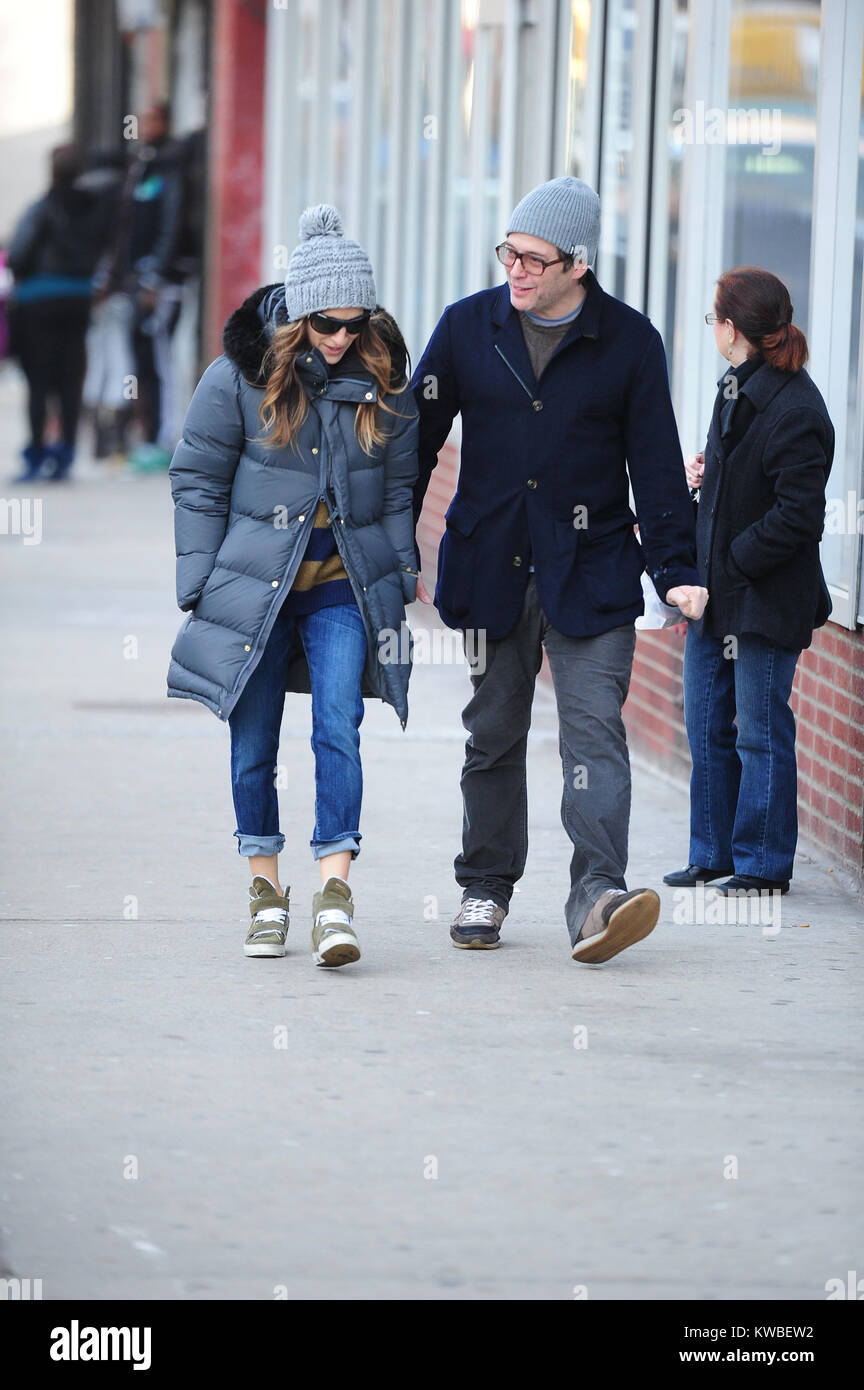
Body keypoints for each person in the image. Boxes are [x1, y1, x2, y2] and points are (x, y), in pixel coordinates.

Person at [412, 175, 707, 963]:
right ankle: (486, 885)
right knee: (495, 734)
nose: (517, 270)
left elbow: (655, 467)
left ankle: (598, 897)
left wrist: (676, 569)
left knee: (593, 740)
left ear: (578, 264)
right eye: (509, 253)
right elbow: (414, 444)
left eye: (535, 260)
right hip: (489, 572)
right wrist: (389, 547)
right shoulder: (468, 328)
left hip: (596, 572)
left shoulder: (631, 342)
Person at [167, 206, 419, 965]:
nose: (341, 337)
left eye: (355, 321)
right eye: (326, 324)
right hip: (256, 590)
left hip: (342, 588)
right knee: (253, 746)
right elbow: (197, 481)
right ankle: (265, 893)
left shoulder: (382, 379)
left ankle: (334, 898)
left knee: (338, 728)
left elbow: (401, 488)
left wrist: (399, 571)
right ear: (299, 313)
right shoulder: (237, 379)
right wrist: (201, 580)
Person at [664, 267, 834, 897]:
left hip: (762, 597)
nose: (712, 328)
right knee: (706, 722)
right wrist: (713, 477)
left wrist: (731, 557)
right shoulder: (735, 389)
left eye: (714, 319)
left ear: (734, 328)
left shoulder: (798, 406)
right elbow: (752, 481)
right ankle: (710, 853)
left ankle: (762, 864)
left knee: (760, 731)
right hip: (715, 595)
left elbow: (799, 516)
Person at [7, 143, 114, 481]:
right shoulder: (94, 209)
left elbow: (18, 255)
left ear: (51, 171)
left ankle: (37, 453)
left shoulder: (42, 208)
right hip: (78, 299)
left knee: (39, 381)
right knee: (70, 378)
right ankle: (65, 453)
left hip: (38, 301)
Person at [101, 103, 187, 466]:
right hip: (137, 281)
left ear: (165, 122)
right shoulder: (143, 165)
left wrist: (155, 274)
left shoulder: (171, 166)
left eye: (150, 120)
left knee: (161, 360)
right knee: (141, 361)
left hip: (160, 283)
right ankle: (148, 437)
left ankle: (168, 440)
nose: (142, 126)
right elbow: (128, 228)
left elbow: (170, 222)